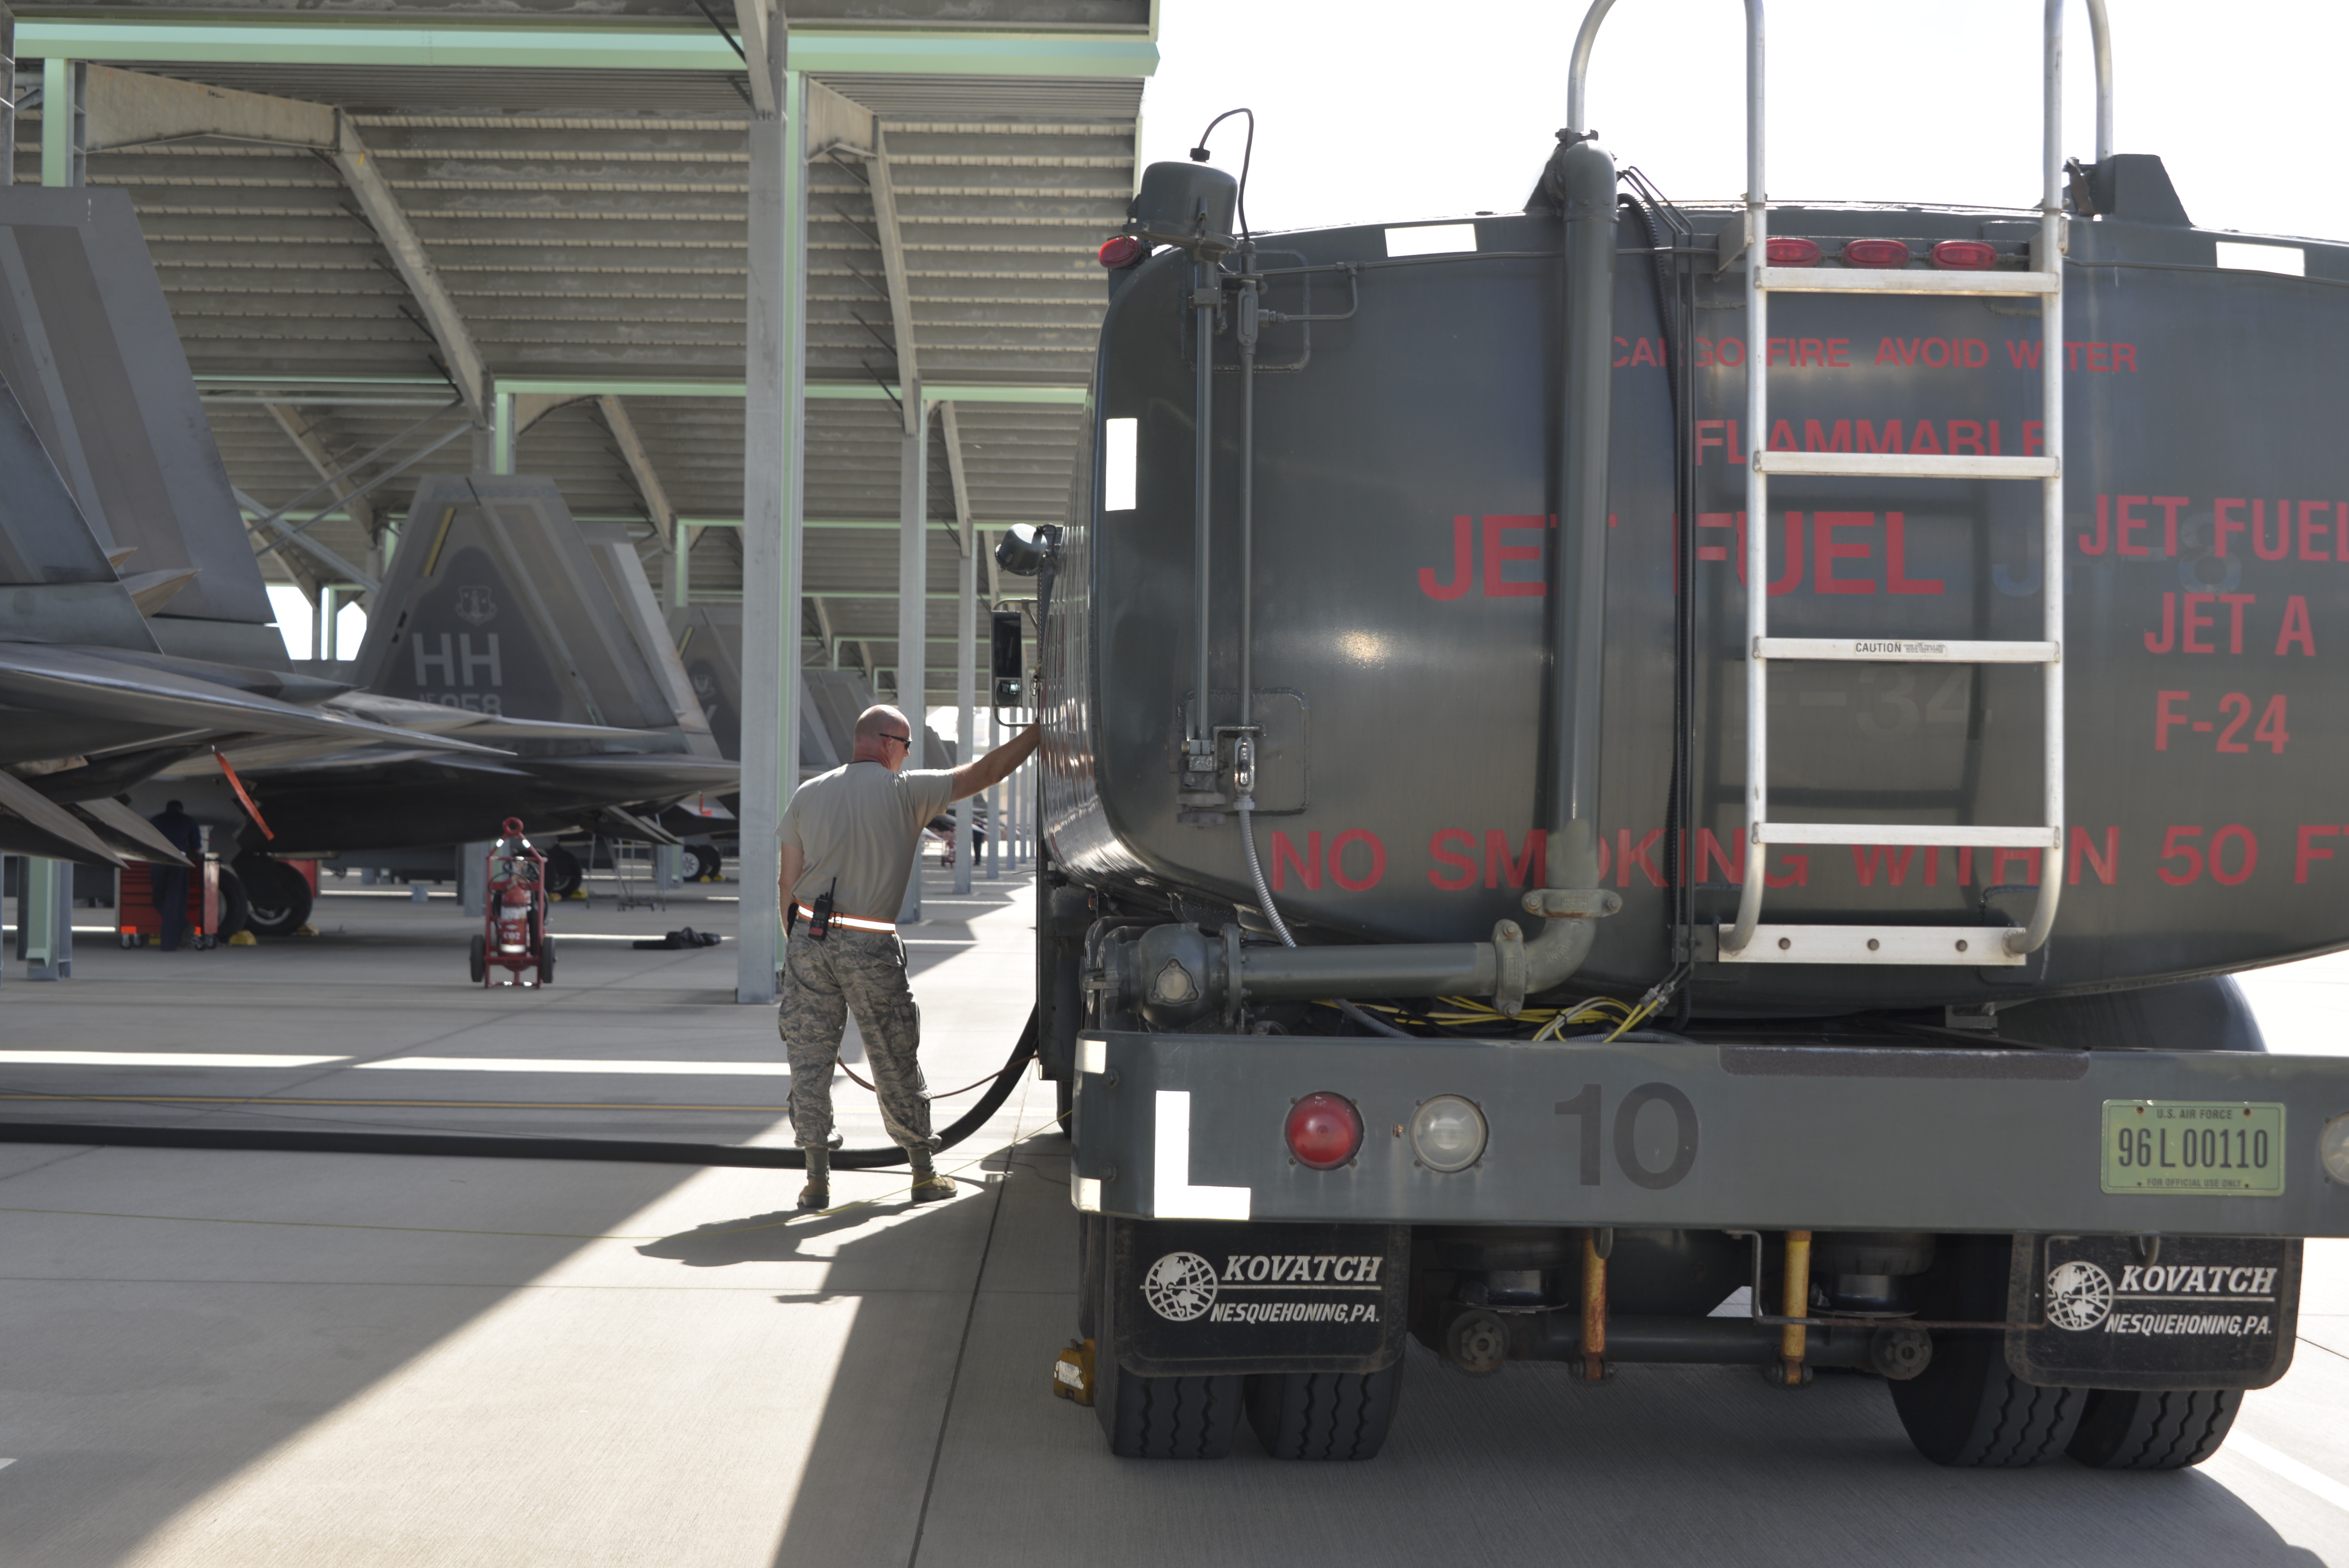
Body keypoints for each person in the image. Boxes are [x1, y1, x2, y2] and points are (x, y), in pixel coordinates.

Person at [777, 706, 1041, 1210]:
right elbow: (986, 772)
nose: (907, 756)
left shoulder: (807, 795)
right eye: (906, 745)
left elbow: (787, 884)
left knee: (809, 1060)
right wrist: (1041, 730)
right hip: (869, 942)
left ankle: (816, 1180)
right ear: (887, 744)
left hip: (808, 937)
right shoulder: (906, 792)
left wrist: (796, 948)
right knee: (893, 1055)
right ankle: (922, 1170)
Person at [147, 800, 203, 951]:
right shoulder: (188, 820)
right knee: (175, 900)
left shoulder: (156, 820)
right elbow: (197, 848)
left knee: (159, 899)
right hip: (178, 861)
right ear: (181, 810)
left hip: (158, 860)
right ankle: (171, 942)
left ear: (167, 809)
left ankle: (183, 927)